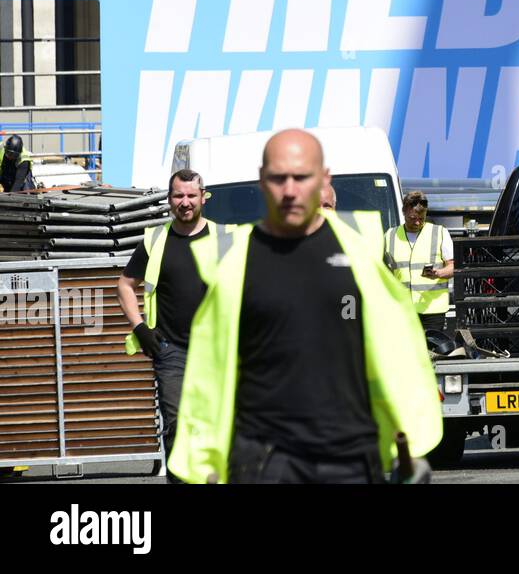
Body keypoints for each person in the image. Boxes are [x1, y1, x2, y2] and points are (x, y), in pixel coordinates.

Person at [168, 129, 440, 484]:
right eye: (279, 178)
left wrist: (412, 445)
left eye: (302, 177)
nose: (291, 189)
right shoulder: (234, 262)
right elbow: (209, 370)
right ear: (263, 180)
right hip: (264, 461)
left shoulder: (359, 255)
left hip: (350, 457)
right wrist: (201, 461)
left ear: (324, 179)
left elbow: (396, 351)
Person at [116, 169, 215, 480]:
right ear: (170, 200)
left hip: (216, 351)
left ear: (202, 197)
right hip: (171, 352)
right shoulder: (155, 240)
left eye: (190, 195)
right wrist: (139, 327)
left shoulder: (224, 238)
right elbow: (124, 285)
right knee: (175, 425)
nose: (184, 202)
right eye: (178, 196)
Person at [386, 191, 455, 338]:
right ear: (404, 211)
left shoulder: (440, 232)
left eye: (421, 218)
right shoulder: (389, 236)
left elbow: (453, 266)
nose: (417, 222)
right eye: (413, 218)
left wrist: (439, 273)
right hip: (402, 310)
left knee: (432, 354)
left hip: (433, 310)